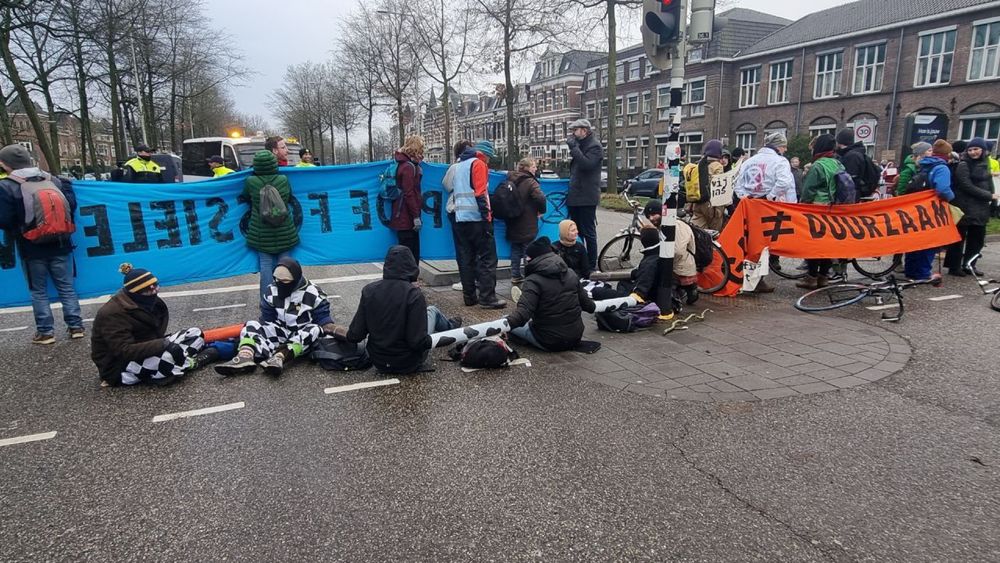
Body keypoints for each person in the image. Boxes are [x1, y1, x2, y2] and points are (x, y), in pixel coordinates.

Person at [0, 144, 85, 344]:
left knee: (38, 290)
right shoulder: (53, 180)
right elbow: (71, 205)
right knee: (66, 286)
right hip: (61, 242)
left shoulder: (7, 186)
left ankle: (46, 332)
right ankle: (76, 326)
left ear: (5, 164)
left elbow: (4, 219)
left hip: (30, 246)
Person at [334, 245, 461, 374]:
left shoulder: (369, 291)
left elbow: (355, 335)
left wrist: (334, 330)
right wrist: (438, 340)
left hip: (378, 361)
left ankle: (451, 326)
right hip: (409, 363)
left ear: (386, 265)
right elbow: (417, 342)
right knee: (432, 311)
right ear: (411, 265)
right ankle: (452, 328)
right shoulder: (414, 295)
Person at [215, 257, 332, 377]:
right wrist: (262, 333)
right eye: (277, 280)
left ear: (295, 279)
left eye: (285, 281)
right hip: (280, 330)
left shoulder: (313, 293)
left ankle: (279, 357)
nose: (280, 284)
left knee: (315, 329)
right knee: (251, 324)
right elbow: (267, 318)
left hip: (302, 333)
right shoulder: (272, 290)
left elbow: (324, 320)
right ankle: (245, 356)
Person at [91, 263, 204, 387]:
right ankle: (197, 361)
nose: (154, 290)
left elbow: (156, 335)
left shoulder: (152, 302)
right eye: (148, 288)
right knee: (168, 358)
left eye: (155, 285)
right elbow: (124, 350)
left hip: (149, 349)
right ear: (136, 292)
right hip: (120, 366)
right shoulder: (112, 313)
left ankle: (179, 362)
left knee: (195, 333)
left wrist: (165, 345)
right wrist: (163, 345)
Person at [506, 237, 596, 351]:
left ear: (533, 259)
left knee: (508, 323)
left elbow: (523, 314)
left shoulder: (533, 280)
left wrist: (503, 324)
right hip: (576, 336)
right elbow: (590, 307)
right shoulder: (571, 273)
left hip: (549, 341)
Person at [734, 131, 796, 293]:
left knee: (749, 243)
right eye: (784, 147)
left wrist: (745, 198)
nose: (785, 150)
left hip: (749, 206)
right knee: (763, 245)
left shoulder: (749, 161)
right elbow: (785, 182)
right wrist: (769, 196)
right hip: (768, 208)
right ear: (779, 147)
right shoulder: (780, 161)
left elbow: (737, 183)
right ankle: (757, 280)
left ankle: (747, 277)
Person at [241, 150, 299, 312]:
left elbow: (245, 197)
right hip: (284, 230)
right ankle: (288, 300)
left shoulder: (250, 181)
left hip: (260, 232)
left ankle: (266, 302)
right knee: (287, 266)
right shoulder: (283, 179)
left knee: (265, 266)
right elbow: (289, 197)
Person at [451, 139, 506, 309]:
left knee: (466, 258)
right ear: (485, 155)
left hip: (461, 218)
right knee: (488, 258)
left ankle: (469, 296)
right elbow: (481, 193)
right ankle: (487, 297)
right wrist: (487, 217)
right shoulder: (479, 164)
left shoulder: (459, 165)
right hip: (477, 219)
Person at [797, 134, 845, 289]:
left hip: (817, 209)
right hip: (835, 208)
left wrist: (801, 206)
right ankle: (824, 276)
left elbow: (808, 191)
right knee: (828, 245)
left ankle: (811, 277)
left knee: (814, 244)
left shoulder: (817, 166)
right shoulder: (838, 163)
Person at [946, 137, 1000, 276]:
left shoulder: (986, 163)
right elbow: (966, 185)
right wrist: (988, 196)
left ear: (983, 150)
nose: (973, 152)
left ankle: (970, 264)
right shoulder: (963, 165)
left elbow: (990, 184)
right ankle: (954, 266)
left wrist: (993, 202)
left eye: (976, 149)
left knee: (977, 239)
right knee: (959, 238)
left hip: (980, 207)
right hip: (964, 205)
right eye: (970, 150)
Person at [903, 140, 955, 282]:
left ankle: (911, 271)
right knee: (929, 242)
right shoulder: (941, 168)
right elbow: (943, 189)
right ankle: (923, 273)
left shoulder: (923, 166)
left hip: (916, 210)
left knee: (914, 240)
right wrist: (951, 198)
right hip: (931, 211)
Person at [565, 118, 604, 269]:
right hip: (576, 196)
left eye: (575, 130)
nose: (573, 134)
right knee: (576, 231)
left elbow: (587, 165)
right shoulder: (582, 145)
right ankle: (580, 261)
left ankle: (592, 264)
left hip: (586, 197)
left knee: (589, 232)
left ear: (584, 130)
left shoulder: (595, 146)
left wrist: (574, 148)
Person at [504, 157, 547, 284]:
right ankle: (529, 276)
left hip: (512, 220)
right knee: (528, 250)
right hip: (527, 221)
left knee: (516, 249)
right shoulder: (530, 182)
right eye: (533, 166)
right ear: (527, 168)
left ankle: (515, 275)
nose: (535, 169)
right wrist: (542, 210)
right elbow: (540, 197)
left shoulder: (510, 178)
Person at [389, 135, 425, 263]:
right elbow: (409, 193)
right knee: (411, 252)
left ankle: (409, 279)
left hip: (402, 214)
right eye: (421, 149)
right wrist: (415, 216)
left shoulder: (403, 164)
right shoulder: (409, 167)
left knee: (407, 250)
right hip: (407, 216)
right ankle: (410, 280)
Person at [685, 139, 727, 230]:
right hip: (711, 205)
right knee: (713, 233)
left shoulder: (699, 164)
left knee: (697, 231)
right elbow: (719, 186)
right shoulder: (717, 166)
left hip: (698, 203)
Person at [835, 128, 877, 200]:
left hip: (853, 197)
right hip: (859, 194)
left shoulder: (851, 157)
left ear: (839, 142)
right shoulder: (858, 153)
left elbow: (849, 182)